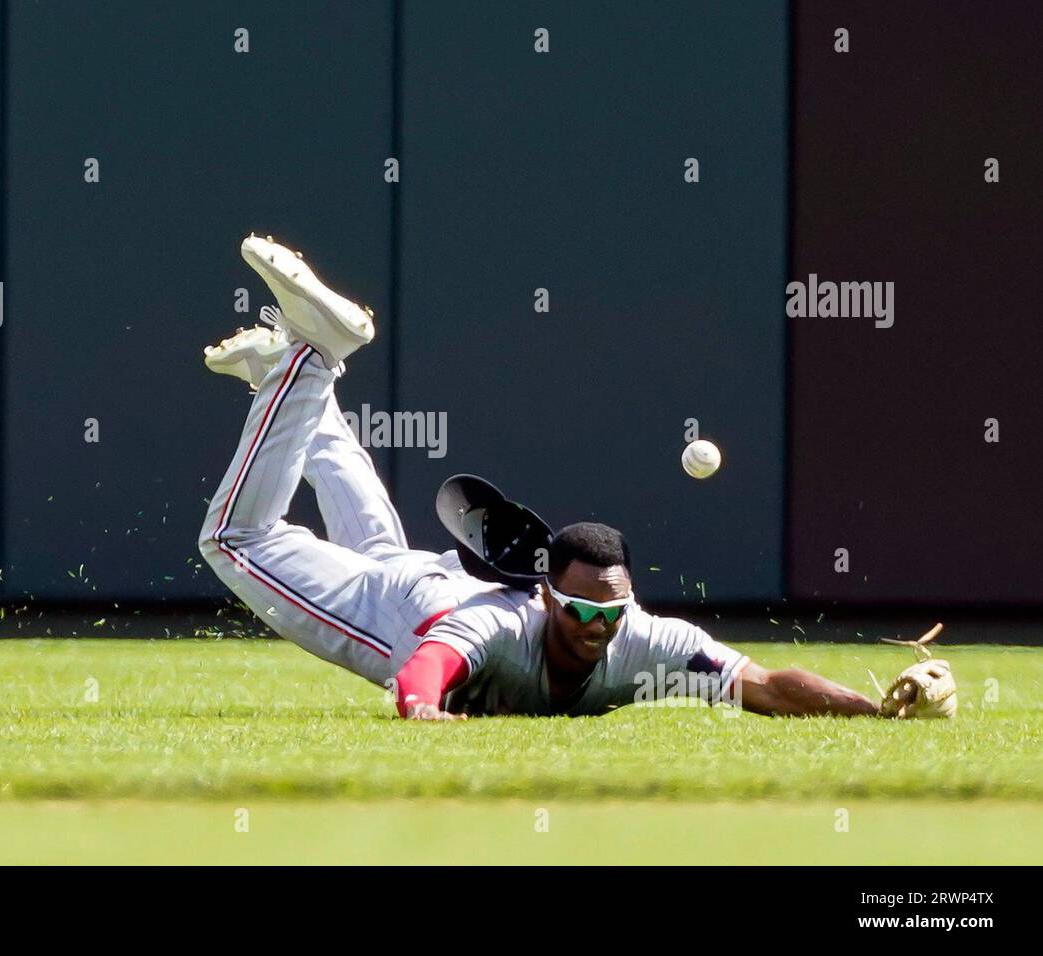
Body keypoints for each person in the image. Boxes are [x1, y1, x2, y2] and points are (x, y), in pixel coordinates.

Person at [199, 235, 949, 721]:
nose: (598, 631)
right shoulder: (502, 628)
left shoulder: (643, 638)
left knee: (367, 529)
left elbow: (764, 683)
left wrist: (875, 712)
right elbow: (427, 667)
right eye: (582, 614)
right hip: (405, 609)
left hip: (429, 579)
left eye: (610, 616)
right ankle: (309, 363)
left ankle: (285, 377)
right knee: (235, 537)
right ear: (549, 598)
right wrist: (423, 710)